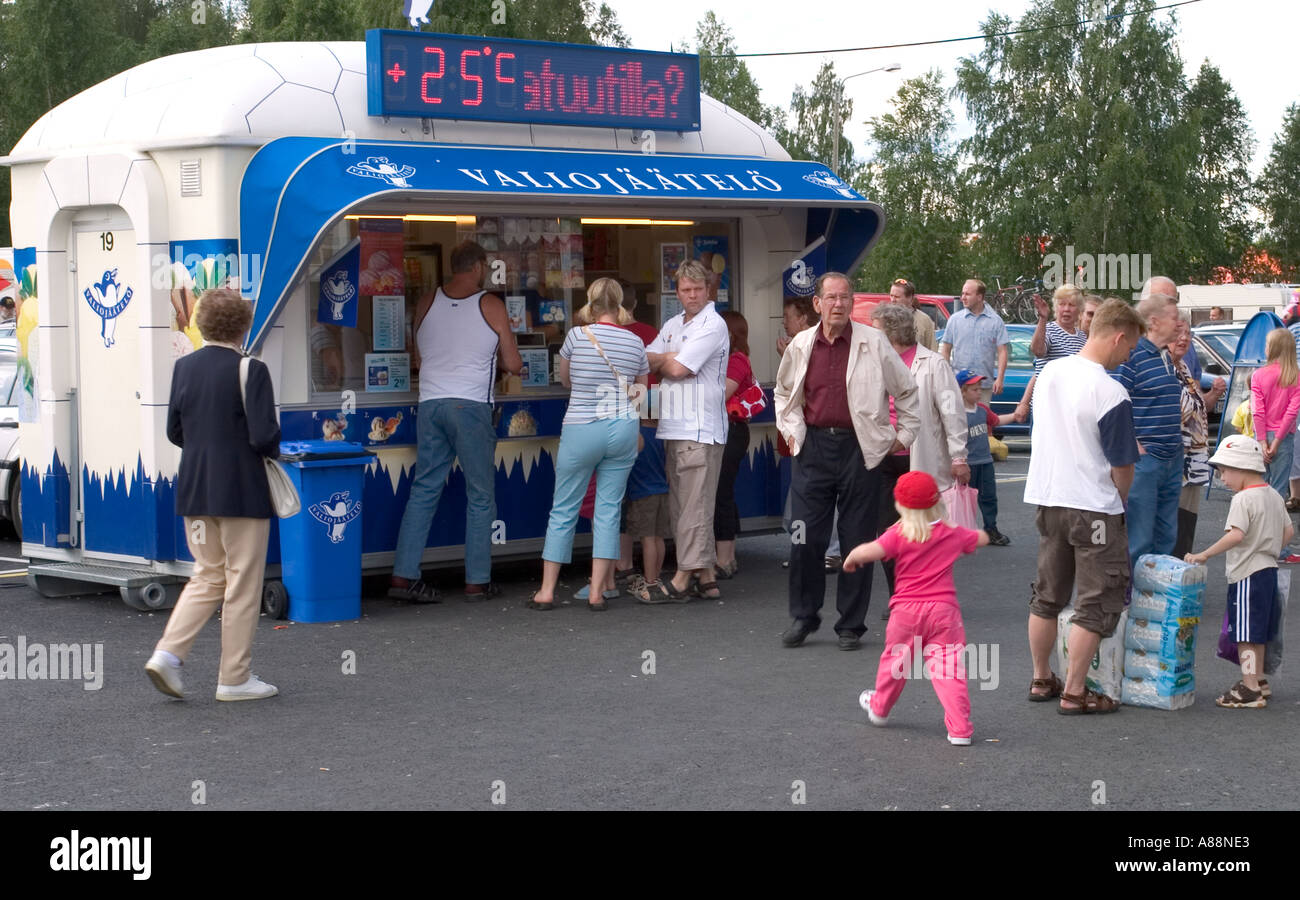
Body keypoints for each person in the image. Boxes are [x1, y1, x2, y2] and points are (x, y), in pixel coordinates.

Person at [145, 288, 282, 701]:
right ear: (243, 327)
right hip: (241, 490)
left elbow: (175, 431)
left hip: (195, 487)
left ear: (200, 323)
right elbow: (264, 437)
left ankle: (168, 655)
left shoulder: (184, 367)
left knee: (207, 575)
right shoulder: (250, 369)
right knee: (242, 583)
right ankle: (233, 678)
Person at [774, 272, 920, 650]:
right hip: (814, 449)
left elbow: (907, 393)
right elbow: (784, 393)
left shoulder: (874, 343)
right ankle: (803, 617)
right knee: (805, 537)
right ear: (817, 304)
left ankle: (850, 625)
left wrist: (900, 438)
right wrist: (792, 432)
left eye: (844, 297)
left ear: (852, 303)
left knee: (857, 539)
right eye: (831, 298)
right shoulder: (802, 344)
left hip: (861, 450)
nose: (838, 304)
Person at [1024, 298, 1144, 714]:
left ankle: (1042, 678)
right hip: (1093, 506)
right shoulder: (1110, 389)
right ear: (1119, 336)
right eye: (1129, 348)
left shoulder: (1051, 372)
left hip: (1048, 497)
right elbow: (1122, 463)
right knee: (1095, 602)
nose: (1128, 356)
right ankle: (1075, 691)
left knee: (1047, 595)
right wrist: (1121, 498)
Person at [389, 241, 522, 603]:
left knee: (424, 489)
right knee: (480, 495)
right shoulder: (490, 304)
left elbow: (417, 354)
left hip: (431, 403)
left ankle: (404, 576)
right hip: (471, 406)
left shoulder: (427, 300)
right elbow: (512, 364)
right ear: (479, 267)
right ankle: (477, 581)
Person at [527, 279, 649, 610]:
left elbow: (566, 379)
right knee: (608, 511)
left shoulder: (577, 336)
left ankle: (547, 591)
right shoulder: (635, 342)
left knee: (563, 508)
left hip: (582, 427)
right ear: (621, 304)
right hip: (623, 429)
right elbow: (641, 393)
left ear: (591, 303)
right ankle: (597, 593)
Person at [847, 470, 988, 745]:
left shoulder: (897, 534)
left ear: (900, 506)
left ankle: (880, 707)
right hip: (944, 612)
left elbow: (869, 551)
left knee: (895, 663)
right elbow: (979, 538)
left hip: (906, 612)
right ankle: (960, 728)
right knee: (949, 670)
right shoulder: (952, 533)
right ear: (937, 503)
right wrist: (978, 535)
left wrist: (852, 558)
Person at [869, 302, 970, 593]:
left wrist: (958, 456)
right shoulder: (875, 363)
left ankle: (923, 589)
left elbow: (952, 411)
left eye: (875, 330)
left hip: (920, 459)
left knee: (922, 531)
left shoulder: (934, 364)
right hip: (884, 457)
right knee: (887, 529)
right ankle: (899, 593)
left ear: (892, 333)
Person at [1185, 435, 1292, 708]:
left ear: (1241, 467)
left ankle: (1249, 687)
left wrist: (1204, 554)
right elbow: (1288, 531)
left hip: (1246, 573)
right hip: (1268, 570)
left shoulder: (1243, 500)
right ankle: (1258, 680)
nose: (1222, 479)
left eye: (1224, 471)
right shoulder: (1274, 496)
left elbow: (1236, 535)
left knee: (1245, 633)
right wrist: (1268, 547)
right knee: (1259, 631)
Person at [646, 259, 730, 601]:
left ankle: (682, 578)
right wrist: (670, 359)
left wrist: (669, 361)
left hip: (700, 427)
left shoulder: (713, 323)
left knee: (694, 506)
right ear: (677, 291)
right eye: (686, 289)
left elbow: (678, 369)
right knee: (686, 506)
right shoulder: (673, 323)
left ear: (708, 290)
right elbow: (645, 358)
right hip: (676, 425)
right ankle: (707, 576)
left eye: (698, 289)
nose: (692, 295)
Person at [1113, 277, 1184, 564]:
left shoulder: (1165, 356)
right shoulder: (1132, 356)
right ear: (1153, 322)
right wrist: (1132, 443)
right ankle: (1131, 602)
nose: (1179, 324)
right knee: (1139, 537)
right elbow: (1115, 403)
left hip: (1171, 456)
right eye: (1174, 318)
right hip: (1146, 460)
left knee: (1166, 535)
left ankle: (1155, 601)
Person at [1170, 315, 1226, 559]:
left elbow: (1200, 407)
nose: (1184, 338)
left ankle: (1178, 580)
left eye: (1188, 334)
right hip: (1173, 462)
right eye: (1178, 333)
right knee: (1171, 528)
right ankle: (1165, 581)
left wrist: (1213, 393)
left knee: (1186, 527)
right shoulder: (1161, 368)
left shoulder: (1183, 368)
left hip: (1193, 462)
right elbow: (1170, 413)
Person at [714, 310, 757, 580]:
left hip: (731, 430)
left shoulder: (736, 360)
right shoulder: (733, 359)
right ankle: (727, 555)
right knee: (724, 493)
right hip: (730, 430)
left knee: (720, 495)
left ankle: (725, 558)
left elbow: (722, 394)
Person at [956, 370, 1020, 545]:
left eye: (979, 388)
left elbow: (996, 421)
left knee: (989, 497)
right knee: (964, 499)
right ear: (962, 391)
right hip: (968, 464)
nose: (979, 392)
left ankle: (990, 528)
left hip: (985, 462)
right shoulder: (956, 414)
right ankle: (963, 531)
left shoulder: (982, 409)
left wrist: (1015, 416)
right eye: (974, 389)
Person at [1014, 284, 1087, 421]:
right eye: (1062, 304)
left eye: (1071, 305)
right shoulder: (1049, 330)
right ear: (1055, 307)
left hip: (1071, 408)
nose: (1066, 309)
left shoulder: (1082, 337)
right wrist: (1042, 318)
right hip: (1047, 407)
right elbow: (1038, 351)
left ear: (1079, 310)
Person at [940, 278, 1009, 406]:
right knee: (957, 423)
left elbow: (1002, 351)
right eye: (962, 293)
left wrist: (1000, 378)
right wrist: (946, 375)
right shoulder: (954, 320)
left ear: (979, 297)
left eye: (967, 294)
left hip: (983, 387)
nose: (963, 297)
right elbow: (945, 349)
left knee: (981, 423)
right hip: (959, 385)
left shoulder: (995, 321)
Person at [1250, 329, 1300, 506]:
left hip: (1262, 436)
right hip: (1284, 438)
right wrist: (1277, 442)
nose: (1265, 347)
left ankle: (1257, 527)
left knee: (1258, 485)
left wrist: (1263, 442)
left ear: (1273, 348)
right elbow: (1292, 413)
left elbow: (1257, 411)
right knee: (1278, 490)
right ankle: (1275, 530)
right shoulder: (1296, 376)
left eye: (1267, 344)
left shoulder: (1258, 375)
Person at [888, 278, 936, 351]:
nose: (892, 300)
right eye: (891, 296)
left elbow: (933, 350)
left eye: (897, 297)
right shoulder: (884, 319)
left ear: (910, 298)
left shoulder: (924, 320)